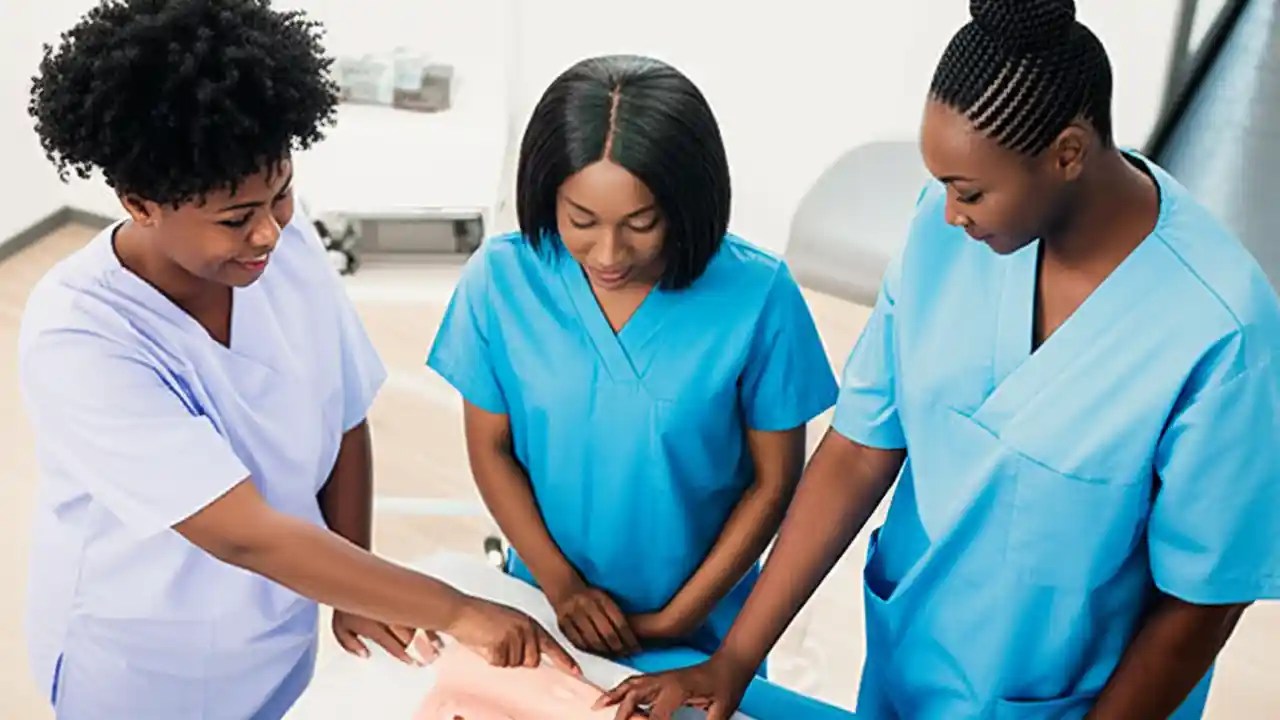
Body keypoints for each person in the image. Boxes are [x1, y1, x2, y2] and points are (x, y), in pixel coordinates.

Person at [597, 1, 1280, 718]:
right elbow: (860, 449)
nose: (951, 212)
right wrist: (733, 658)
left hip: (1075, 703)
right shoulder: (947, 231)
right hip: (911, 669)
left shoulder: (1223, 332)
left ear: (1068, 154)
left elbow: (1201, 603)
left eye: (970, 191)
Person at [19, 2, 574, 718]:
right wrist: (458, 610)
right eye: (235, 218)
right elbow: (241, 532)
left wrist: (355, 585)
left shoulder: (283, 239)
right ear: (141, 203)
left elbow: (344, 414)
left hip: (278, 628)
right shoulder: (81, 336)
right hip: (146, 663)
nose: (268, 232)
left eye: (280, 194)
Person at [426, 55, 837, 667]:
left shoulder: (758, 296)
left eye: (642, 224)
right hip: (545, 615)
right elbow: (491, 448)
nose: (610, 252)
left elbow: (774, 482)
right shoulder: (500, 281)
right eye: (581, 222)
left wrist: (680, 617)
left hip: (703, 633)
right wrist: (561, 587)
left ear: (687, 202)